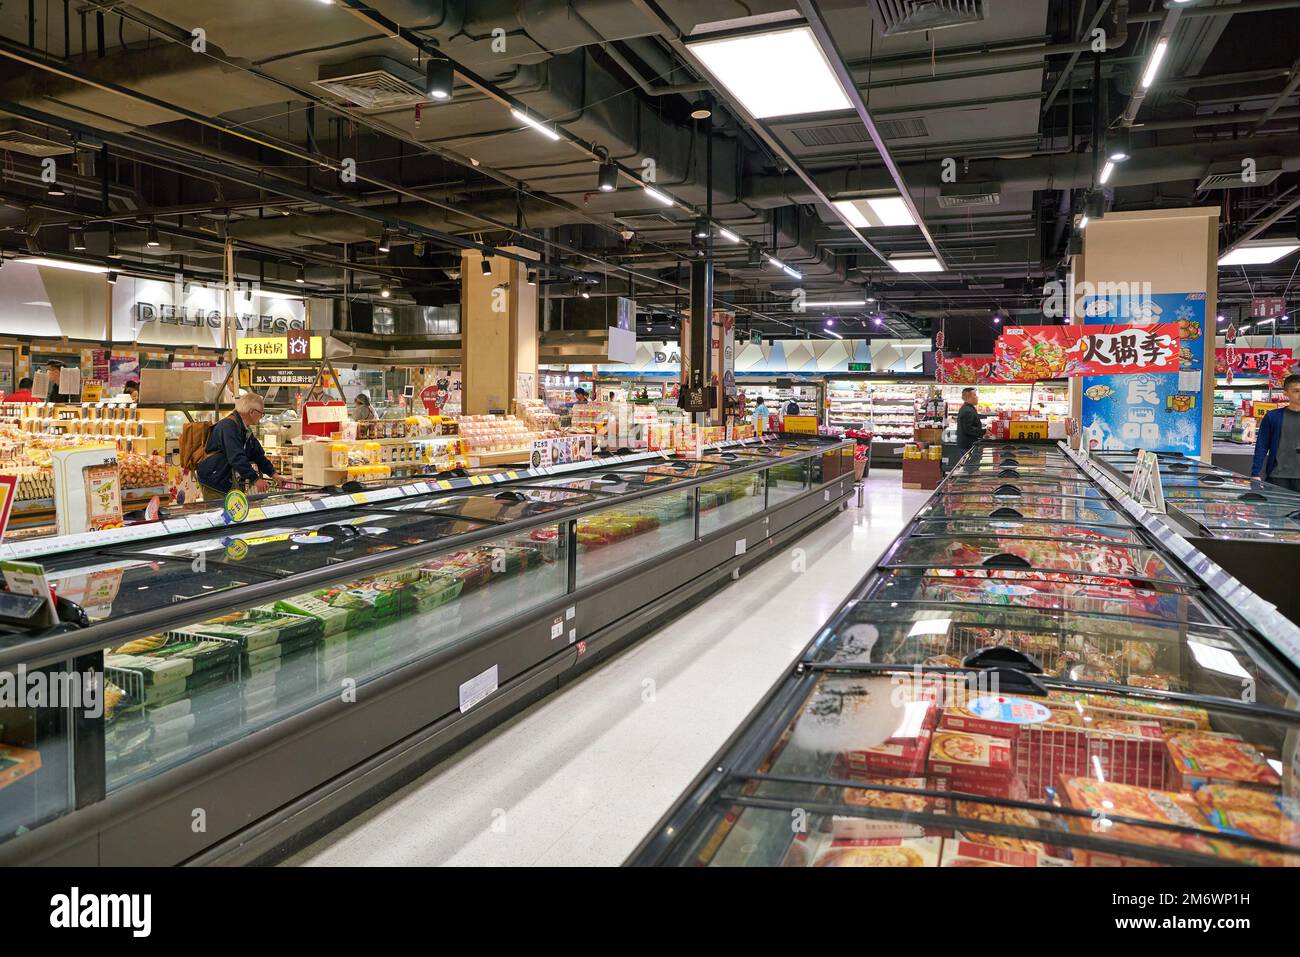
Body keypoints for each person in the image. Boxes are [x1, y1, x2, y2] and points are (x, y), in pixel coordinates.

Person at [196, 393, 276, 499]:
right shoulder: (228, 427)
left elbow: (257, 454)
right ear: (252, 412)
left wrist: (274, 474)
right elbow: (236, 457)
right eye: (262, 413)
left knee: (232, 513)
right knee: (218, 513)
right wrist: (255, 479)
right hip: (215, 481)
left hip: (227, 480)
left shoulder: (245, 429)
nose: (261, 417)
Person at [1251, 374, 1300, 492]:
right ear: (1285, 393)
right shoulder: (1273, 417)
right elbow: (1262, 446)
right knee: (1278, 510)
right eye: (1296, 391)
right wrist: (1255, 473)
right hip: (1278, 477)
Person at [956, 387, 986, 454]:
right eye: (974, 395)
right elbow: (968, 429)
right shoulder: (967, 411)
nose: (977, 397)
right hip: (968, 445)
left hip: (966, 444)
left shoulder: (968, 408)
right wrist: (984, 432)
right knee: (970, 463)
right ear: (968, 397)